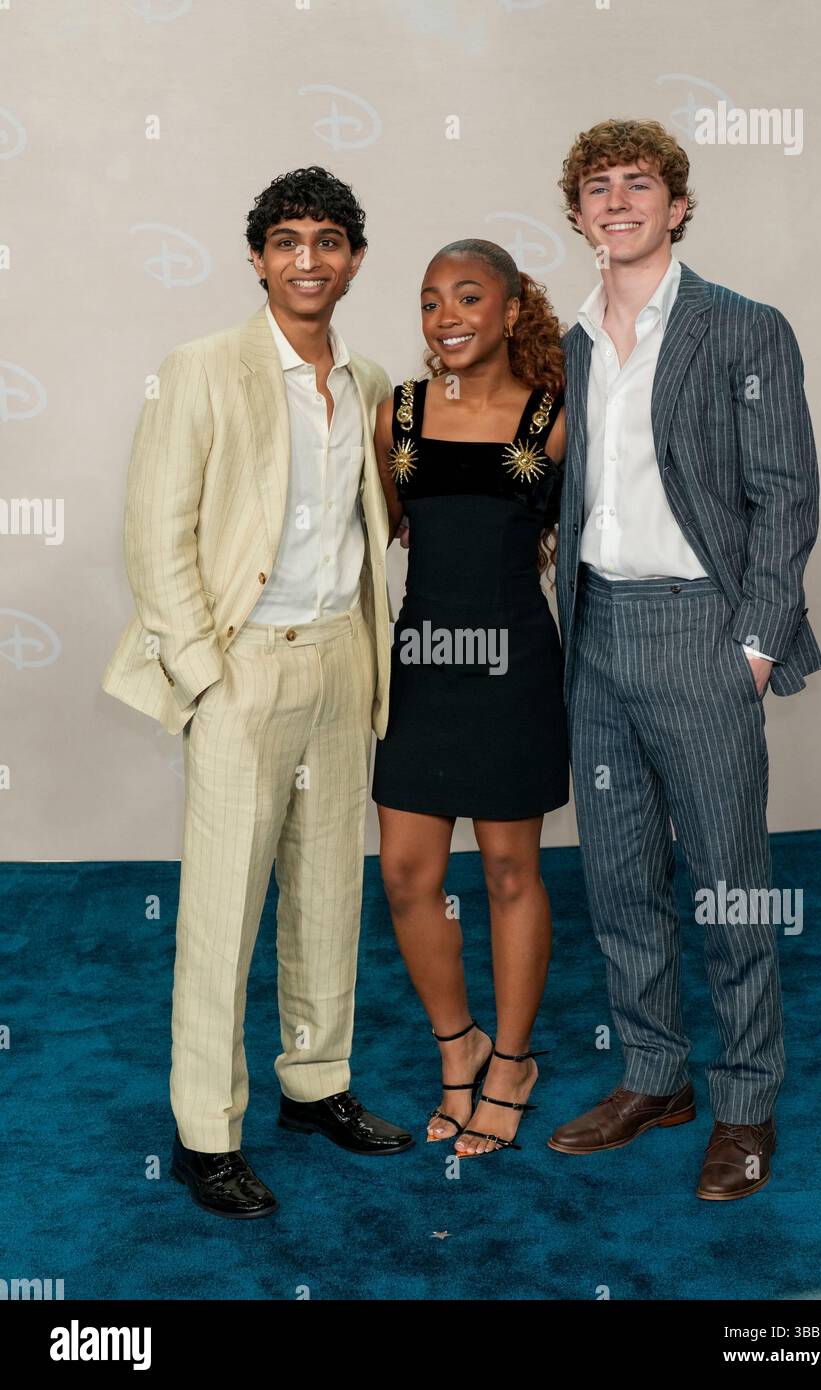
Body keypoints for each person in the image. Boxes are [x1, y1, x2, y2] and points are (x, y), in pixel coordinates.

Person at [102, 166, 412, 1219]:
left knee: (329, 892)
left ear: (354, 260)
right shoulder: (200, 368)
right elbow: (156, 532)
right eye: (287, 241)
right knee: (224, 908)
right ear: (257, 257)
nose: (308, 260)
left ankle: (315, 1085)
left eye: (328, 240)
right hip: (242, 668)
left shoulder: (369, 382)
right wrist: (204, 676)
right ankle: (204, 1133)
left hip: (339, 663)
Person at [549, 120, 821, 1199]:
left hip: (700, 632)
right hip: (594, 632)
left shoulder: (742, 328)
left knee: (728, 885)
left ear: (675, 205)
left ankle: (744, 1102)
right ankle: (653, 1074)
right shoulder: (562, 341)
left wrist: (750, 645)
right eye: (596, 187)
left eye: (638, 183)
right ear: (576, 212)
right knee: (617, 876)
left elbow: (785, 497)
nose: (616, 201)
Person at [371, 240, 569, 1156]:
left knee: (506, 873)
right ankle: (461, 1050)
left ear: (511, 309)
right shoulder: (397, 418)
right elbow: (391, 528)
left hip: (512, 667)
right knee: (409, 875)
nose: (446, 316)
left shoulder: (553, 420)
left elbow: (582, 541)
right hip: (423, 664)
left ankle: (515, 1061)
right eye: (428, 302)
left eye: (468, 296)